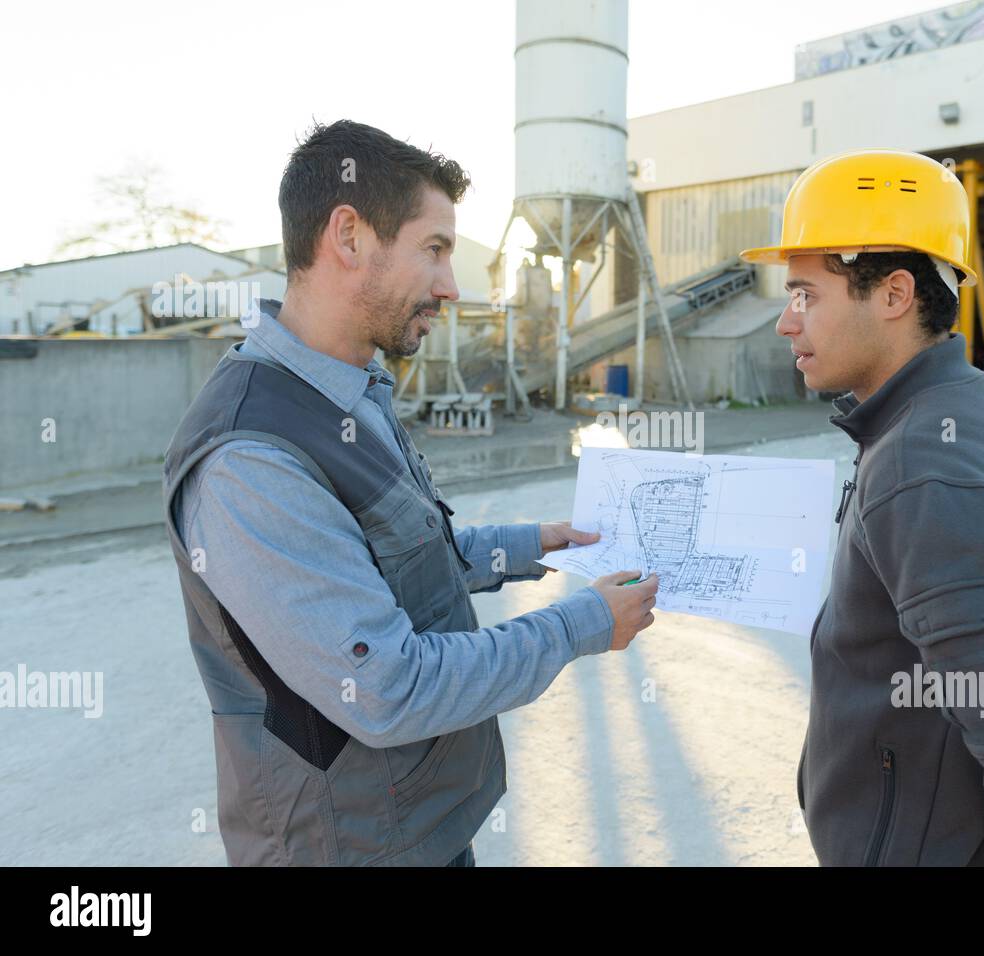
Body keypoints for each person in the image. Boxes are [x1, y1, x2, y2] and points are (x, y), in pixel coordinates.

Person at [162, 119, 658, 866]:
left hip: (417, 826)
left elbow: (396, 562)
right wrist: (581, 625)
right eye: (436, 249)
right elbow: (387, 686)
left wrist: (533, 543)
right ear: (350, 236)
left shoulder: (349, 391)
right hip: (346, 846)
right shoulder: (251, 459)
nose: (452, 286)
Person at [740, 148, 984, 866]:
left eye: (805, 294)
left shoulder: (923, 465)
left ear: (894, 294)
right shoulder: (953, 405)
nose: (785, 322)